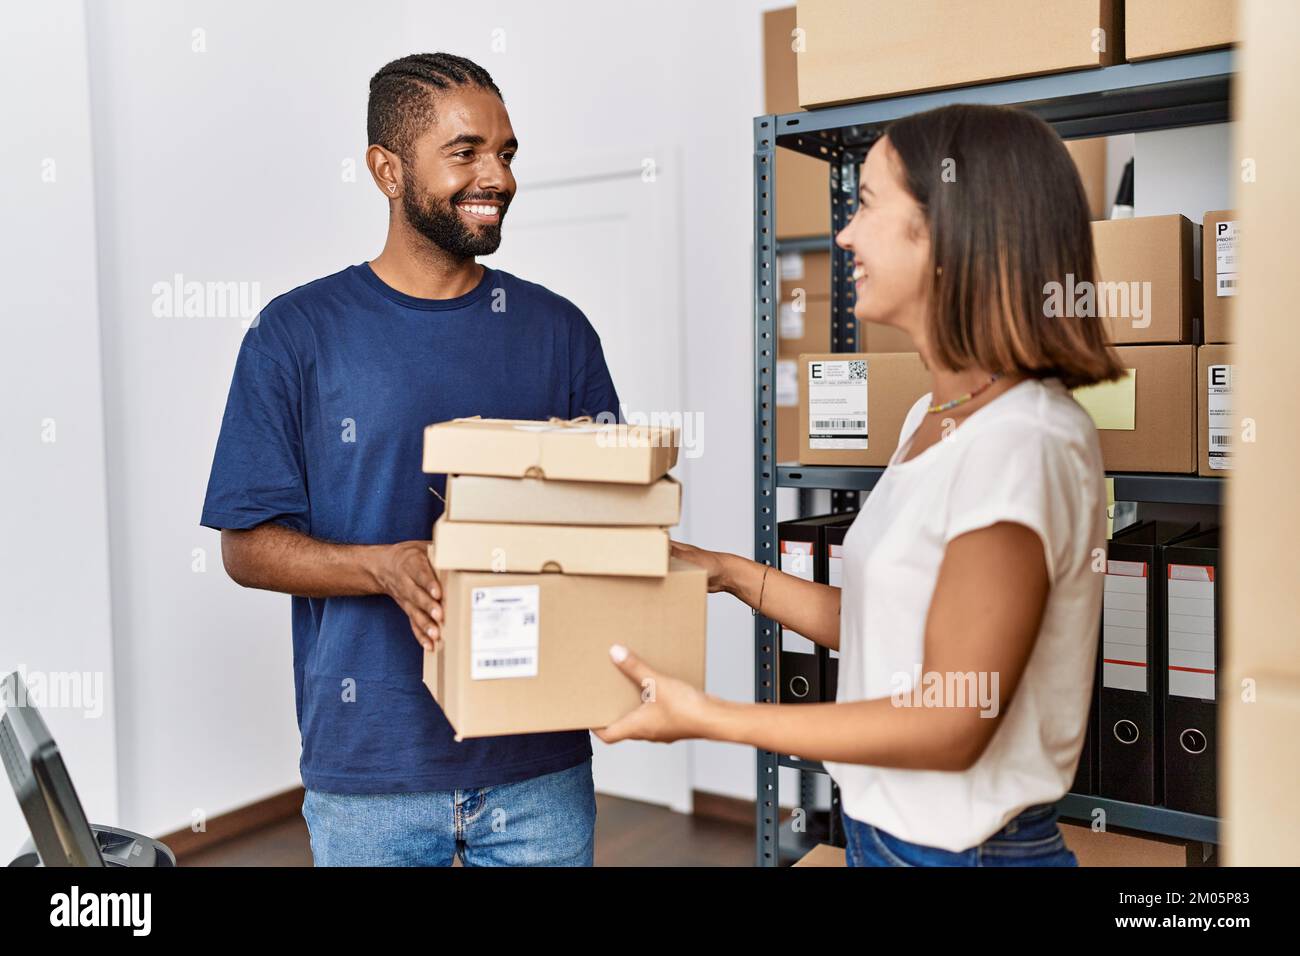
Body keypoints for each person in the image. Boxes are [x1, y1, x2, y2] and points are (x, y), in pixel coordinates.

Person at [599, 103, 1125, 867]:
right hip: (887, 833)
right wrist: (734, 574)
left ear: (949, 231)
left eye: (869, 203)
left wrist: (710, 718)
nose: (844, 234)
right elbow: (894, 629)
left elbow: (951, 720)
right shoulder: (933, 415)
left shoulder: (1021, 443)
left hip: (959, 853)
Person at [200, 52, 619, 866]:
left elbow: (610, 520)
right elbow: (245, 547)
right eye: (465, 153)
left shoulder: (557, 329)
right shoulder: (296, 333)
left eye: (506, 152)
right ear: (387, 170)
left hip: (538, 763)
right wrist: (382, 567)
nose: (496, 176)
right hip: (371, 777)